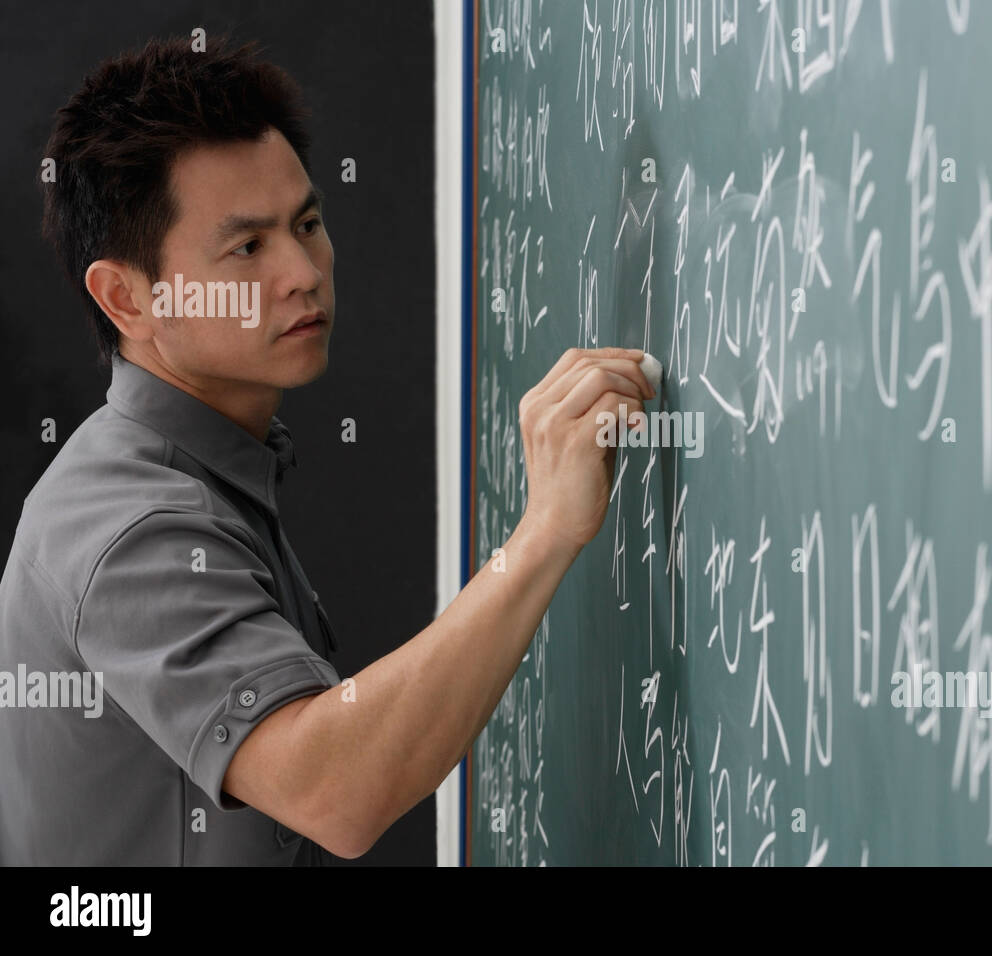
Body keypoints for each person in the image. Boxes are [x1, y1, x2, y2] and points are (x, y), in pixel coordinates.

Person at [0, 34, 652, 865]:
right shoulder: (132, 524)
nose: (303, 271)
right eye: (247, 248)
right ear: (126, 297)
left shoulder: (201, 464)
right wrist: (544, 533)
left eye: (307, 223)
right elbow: (334, 793)